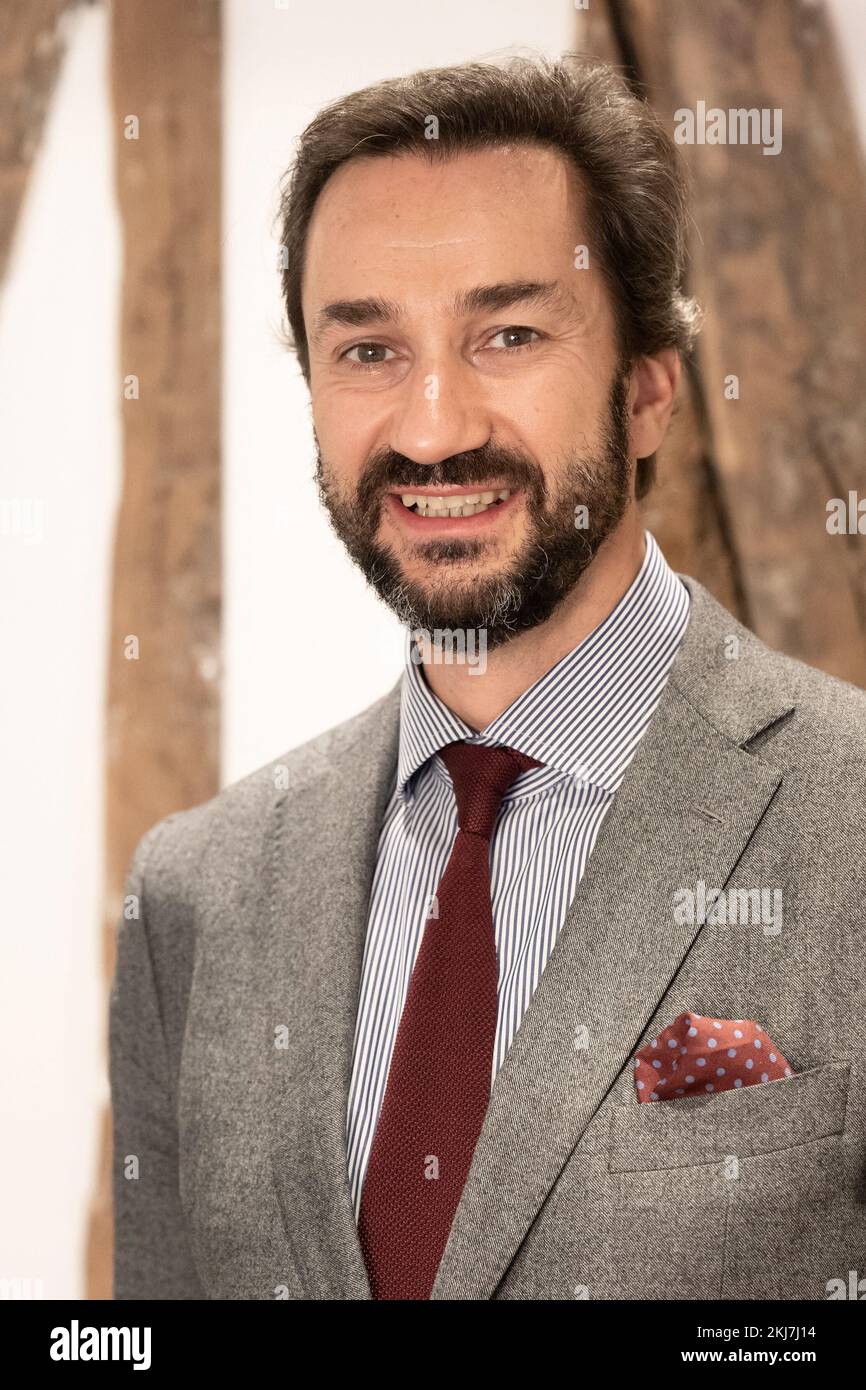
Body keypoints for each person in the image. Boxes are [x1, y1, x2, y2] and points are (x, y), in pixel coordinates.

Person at [110, 55, 866, 1301]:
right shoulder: (194, 897)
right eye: (366, 349)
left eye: (507, 333)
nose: (429, 424)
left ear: (645, 391)